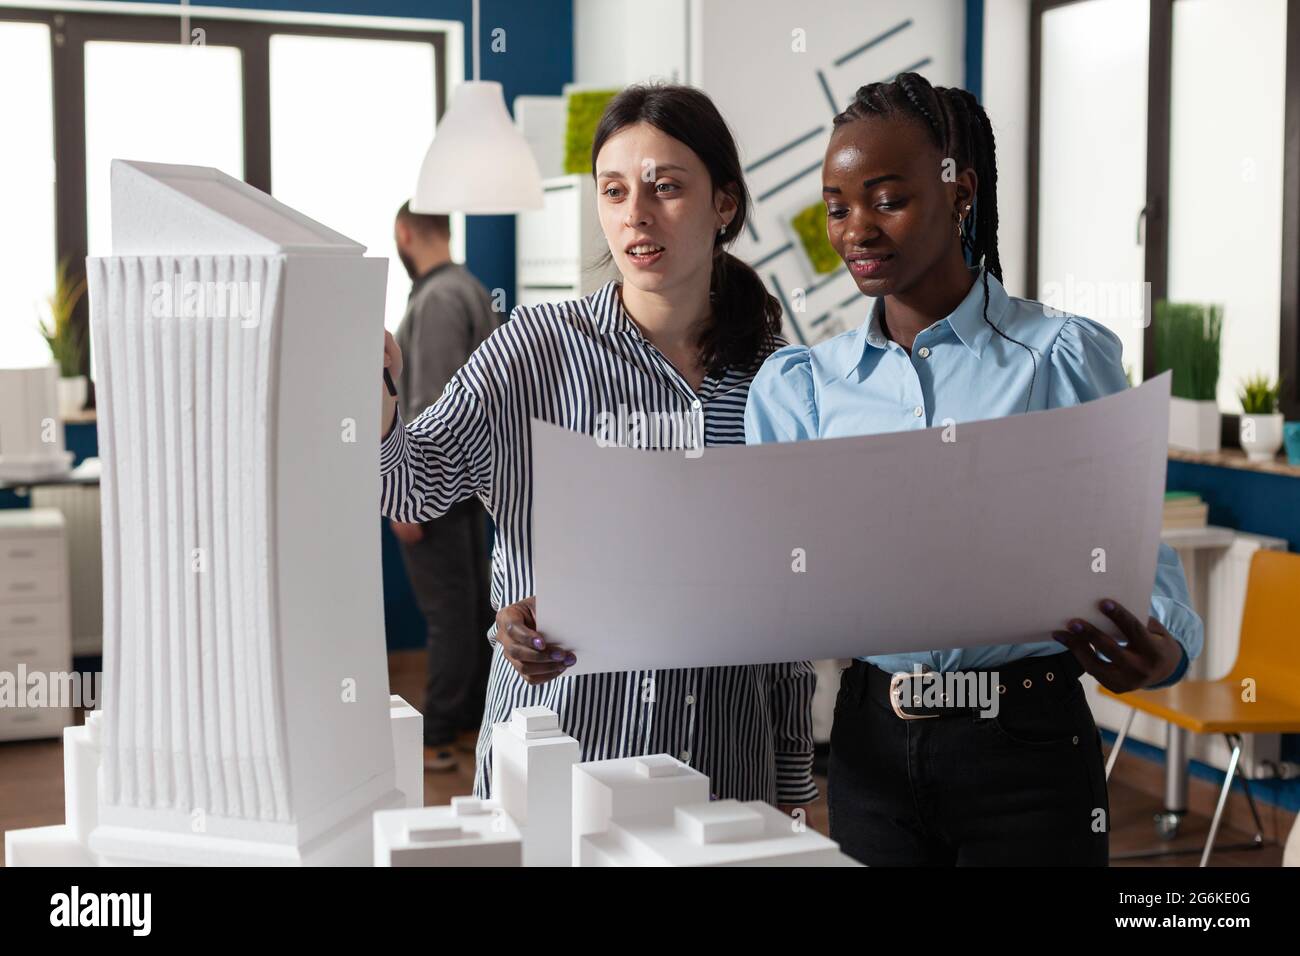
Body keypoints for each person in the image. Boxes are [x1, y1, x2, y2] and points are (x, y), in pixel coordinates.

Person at [745, 72, 1204, 864]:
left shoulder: (1058, 356)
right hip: (869, 749)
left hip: (1024, 748)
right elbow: (757, 571)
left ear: (961, 194)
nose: (857, 229)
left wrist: (1166, 647)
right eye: (838, 206)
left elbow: (1131, 547)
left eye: (887, 199)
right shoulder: (802, 388)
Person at [379, 85, 818, 810]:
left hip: (719, 762)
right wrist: (383, 401)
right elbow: (409, 485)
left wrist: (795, 779)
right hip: (558, 752)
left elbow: (787, 604)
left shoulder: (774, 373)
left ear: (725, 206)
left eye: (665, 187)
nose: (635, 215)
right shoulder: (534, 347)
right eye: (613, 191)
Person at [390, 203, 499, 772]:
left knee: (449, 614)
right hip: (470, 487)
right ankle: (470, 724)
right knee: (468, 607)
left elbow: (429, 407)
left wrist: (410, 497)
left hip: (437, 492)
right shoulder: (473, 289)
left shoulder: (435, 300)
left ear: (406, 233)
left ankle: (437, 735)